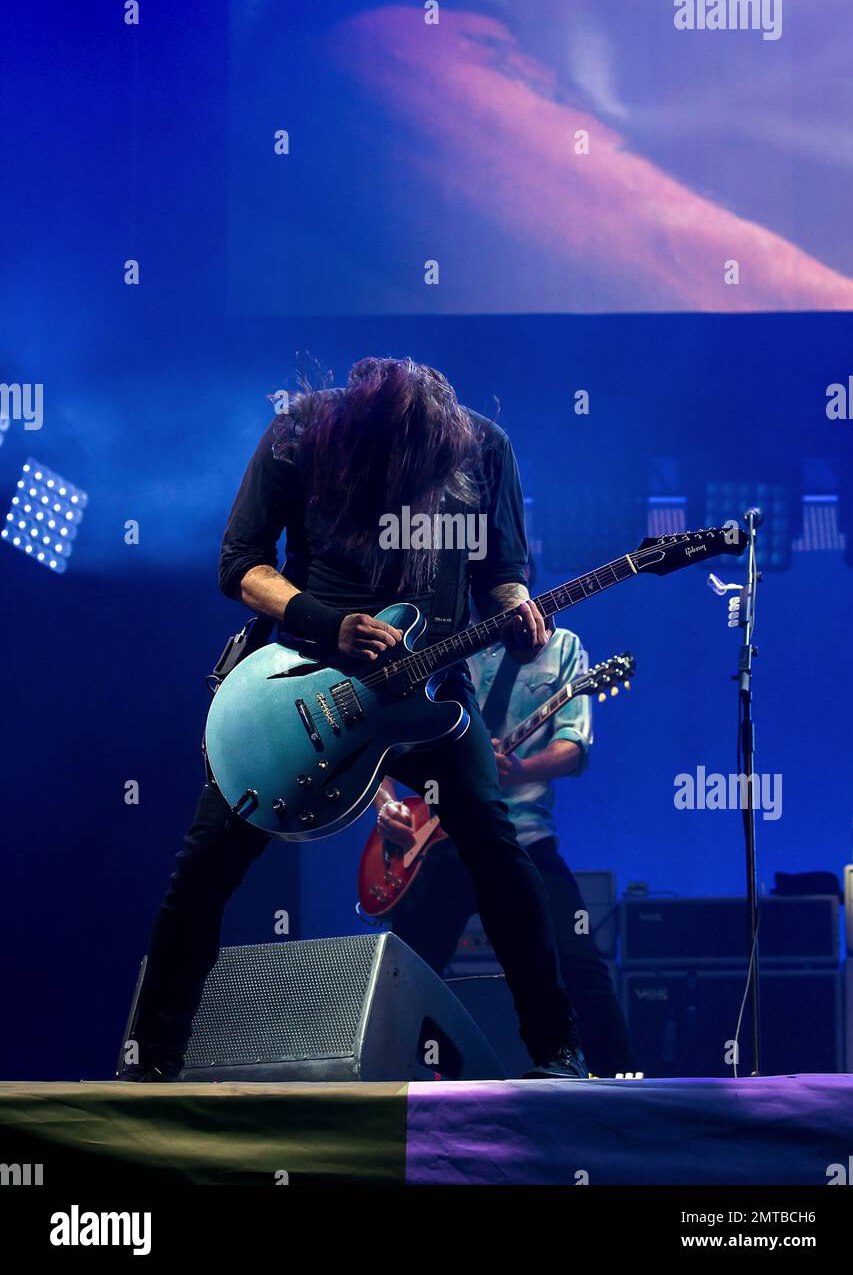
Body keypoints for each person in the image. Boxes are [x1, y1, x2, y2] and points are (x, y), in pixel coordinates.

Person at [127, 357, 587, 1080]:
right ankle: (150, 1061)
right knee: (207, 861)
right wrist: (331, 623)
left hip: (431, 688)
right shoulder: (302, 433)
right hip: (306, 686)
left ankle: (559, 1050)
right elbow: (241, 564)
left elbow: (500, 575)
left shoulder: (482, 445)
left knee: (497, 848)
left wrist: (517, 614)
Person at [379, 594, 635, 1077]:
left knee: (579, 961)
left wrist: (515, 771)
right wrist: (387, 805)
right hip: (444, 837)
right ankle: (411, 1079)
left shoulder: (561, 647)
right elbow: (386, 739)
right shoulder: (440, 646)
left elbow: (573, 749)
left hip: (524, 835)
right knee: (402, 970)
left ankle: (622, 1082)